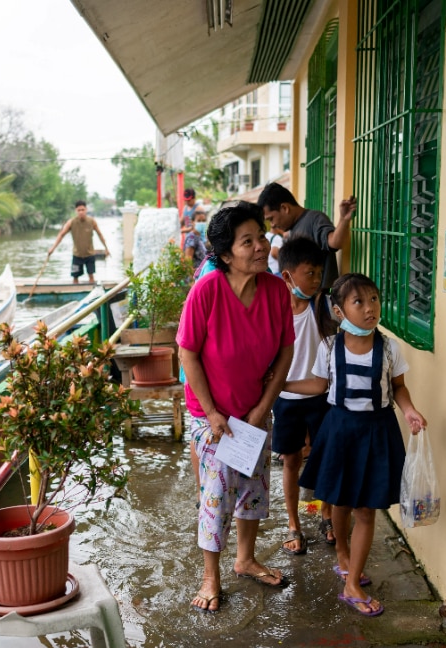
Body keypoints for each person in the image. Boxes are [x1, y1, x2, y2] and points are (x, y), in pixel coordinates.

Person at [284, 273, 427, 617]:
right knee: (340, 501)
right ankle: (345, 559)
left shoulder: (390, 347)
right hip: (340, 430)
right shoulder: (330, 347)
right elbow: (319, 385)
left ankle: (351, 586)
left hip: (377, 431)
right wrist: (281, 385)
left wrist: (409, 411)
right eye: (358, 302)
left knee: (366, 508)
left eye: (374, 299)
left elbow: (399, 387)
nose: (369, 309)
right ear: (338, 311)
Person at [177, 201, 295, 613]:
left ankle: (244, 559)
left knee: (254, 488)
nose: (262, 246)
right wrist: (211, 413)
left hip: (254, 412)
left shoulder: (277, 290)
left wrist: (263, 408)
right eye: (249, 241)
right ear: (227, 254)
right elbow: (187, 353)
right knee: (217, 492)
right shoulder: (207, 290)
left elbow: (284, 353)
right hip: (213, 417)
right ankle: (211, 576)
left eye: (262, 237)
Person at [272, 238, 338, 554]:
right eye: (309, 273)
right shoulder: (273, 310)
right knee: (291, 461)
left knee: (325, 458)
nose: (315, 280)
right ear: (287, 276)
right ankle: (294, 524)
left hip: (320, 396)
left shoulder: (322, 305)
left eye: (318, 273)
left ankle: (325, 516)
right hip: (285, 400)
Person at [258, 182, 356, 290]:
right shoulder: (292, 230)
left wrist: (344, 219)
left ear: (285, 208)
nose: (273, 225)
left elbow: (335, 242)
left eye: (271, 219)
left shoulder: (314, 219)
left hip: (319, 299)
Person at [48, 200, 111, 284]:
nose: (81, 212)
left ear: (86, 210)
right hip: (77, 255)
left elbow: (100, 235)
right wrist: (52, 248)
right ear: (76, 211)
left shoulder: (91, 221)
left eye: (82, 210)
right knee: (75, 277)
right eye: (79, 210)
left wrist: (106, 248)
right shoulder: (71, 222)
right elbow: (61, 235)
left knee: (91, 276)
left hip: (89, 254)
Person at [180, 205, 209, 271]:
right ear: (193, 222)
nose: (201, 223)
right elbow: (188, 264)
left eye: (203, 221)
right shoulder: (192, 238)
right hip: (196, 278)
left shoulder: (202, 237)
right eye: (199, 221)